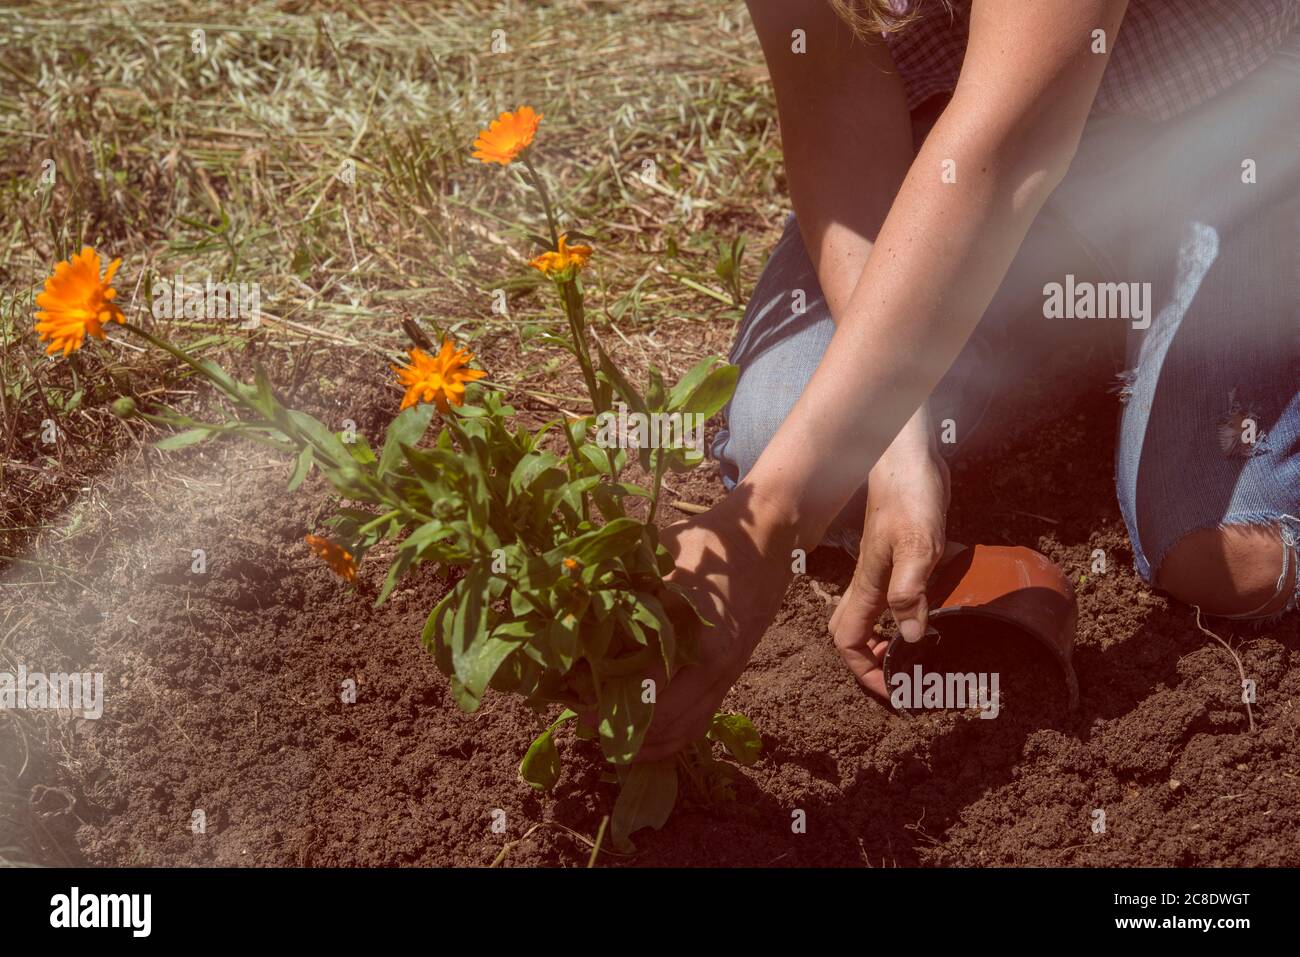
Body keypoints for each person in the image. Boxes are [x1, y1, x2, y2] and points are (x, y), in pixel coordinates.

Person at [636, 0, 1300, 761]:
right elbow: (833, 86)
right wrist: (893, 442)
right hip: (964, 149)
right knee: (778, 427)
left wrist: (763, 531)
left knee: (1227, 558)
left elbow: (1014, 140)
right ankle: (1090, 322)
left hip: (1236, 124)